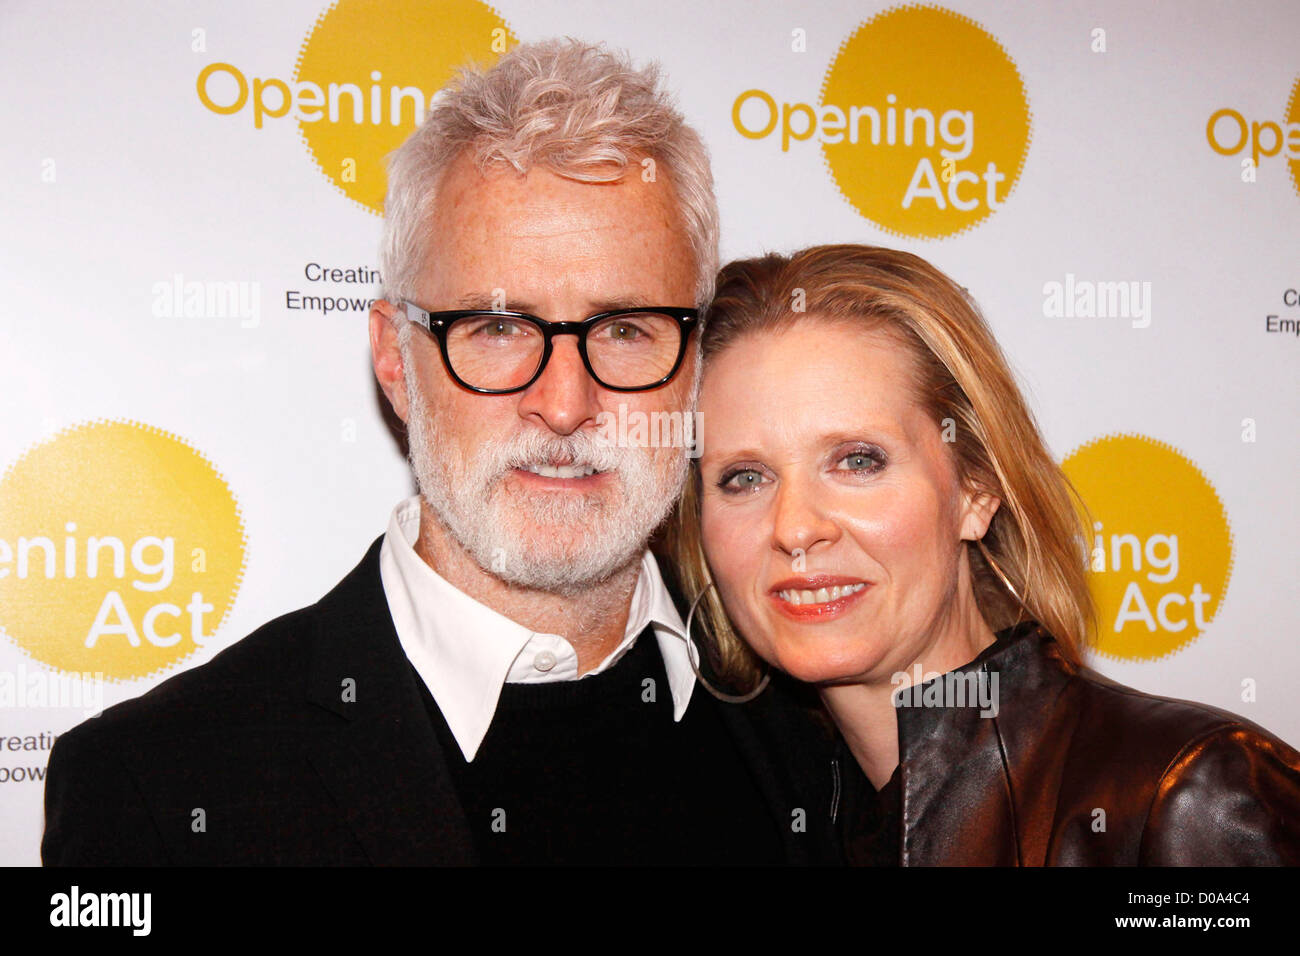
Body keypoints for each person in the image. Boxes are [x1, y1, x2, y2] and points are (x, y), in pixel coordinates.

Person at [41, 39, 827, 866]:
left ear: (697, 362)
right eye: (495, 329)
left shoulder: (817, 734)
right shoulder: (159, 785)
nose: (564, 405)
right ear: (395, 361)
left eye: (626, 328)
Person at [667, 243, 1300, 865]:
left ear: (976, 488)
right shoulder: (770, 822)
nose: (795, 528)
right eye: (744, 477)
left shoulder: (1186, 798)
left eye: (858, 461)